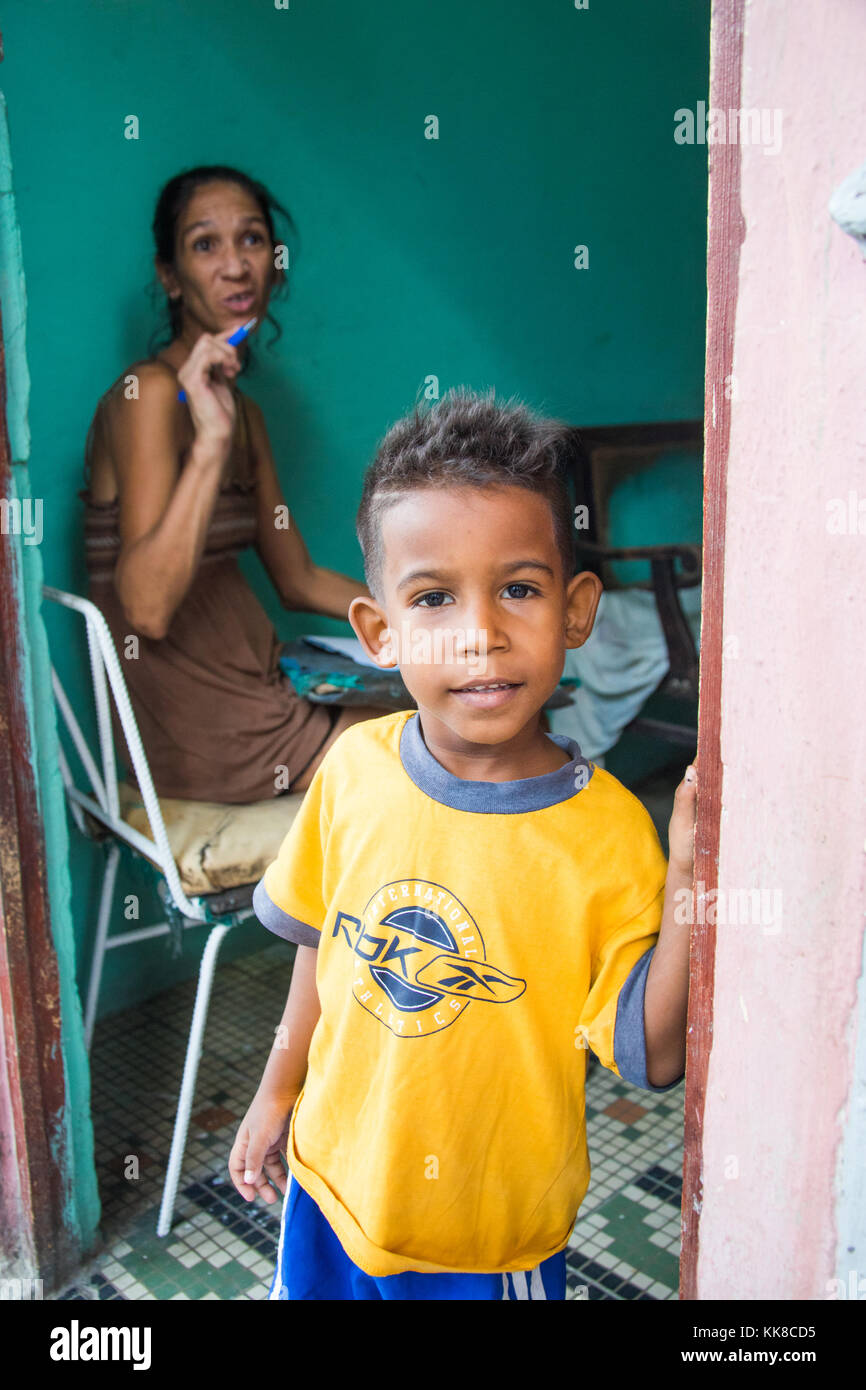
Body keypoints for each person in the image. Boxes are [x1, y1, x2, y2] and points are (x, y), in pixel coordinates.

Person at [228, 388, 697, 1300]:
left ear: (575, 609)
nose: (481, 635)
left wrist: (688, 874)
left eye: (519, 589)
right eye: (434, 598)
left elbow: (655, 1053)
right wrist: (276, 1090)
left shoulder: (605, 834)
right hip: (329, 1195)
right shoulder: (355, 768)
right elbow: (319, 945)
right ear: (380, 633)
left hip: (488, 1242)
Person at [80, 165, 382, 803]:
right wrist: (209, 445)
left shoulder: (245, 413)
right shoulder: (150, 394)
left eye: (251, 241)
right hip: (195, 729)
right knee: (451, 737)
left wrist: (418, 622)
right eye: (204, 244)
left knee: (457, 703)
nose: (236, 265)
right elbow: (148, 609)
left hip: (260, 688)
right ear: (169, 276)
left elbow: (296, 577)